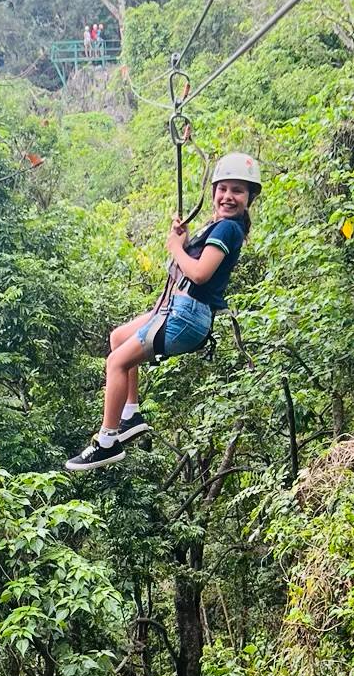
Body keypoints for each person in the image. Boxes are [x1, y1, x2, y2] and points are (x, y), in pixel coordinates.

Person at [66, 153, 262, 473]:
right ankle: (131, 414)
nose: (228, 196)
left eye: (237, 190)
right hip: (178, 309)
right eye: (223, 188)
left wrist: (175, 248)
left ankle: (106, 442)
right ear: (213, 192)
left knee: (116, 362)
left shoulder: (228, 229)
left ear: (249, 197)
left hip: (187, 314)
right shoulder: (218, 227)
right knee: (118, 338)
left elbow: (199, 274)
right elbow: (189, 264)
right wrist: (182, 241)